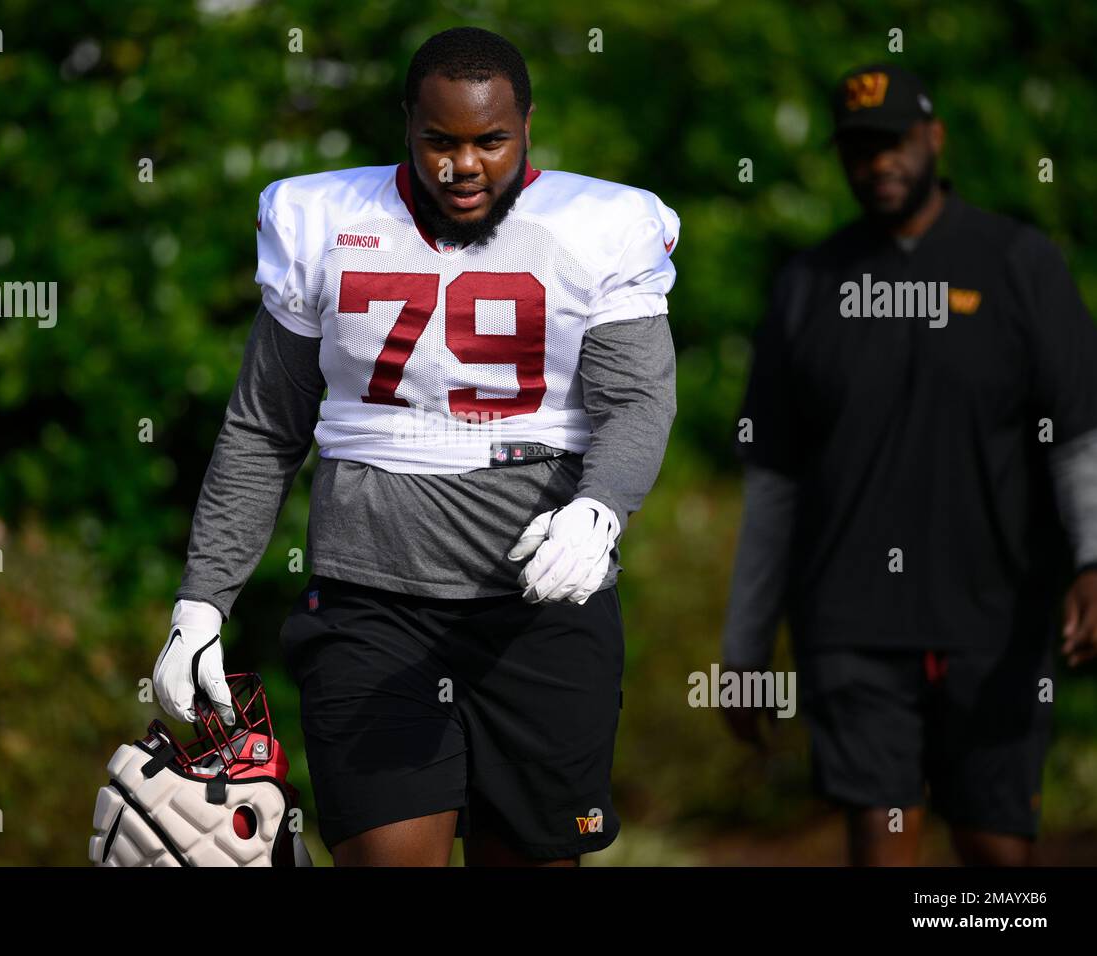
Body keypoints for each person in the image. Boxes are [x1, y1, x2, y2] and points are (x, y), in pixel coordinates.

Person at [155, 27, 680, 866]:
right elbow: (265, 426)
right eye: (440, 139)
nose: (463, 164)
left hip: (539, 609)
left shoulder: (599, 228)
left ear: (528, 128)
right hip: (372, 604)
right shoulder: (326, 221)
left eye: (489, 140)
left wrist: (601, 508)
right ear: (407, 125)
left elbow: (638, 403)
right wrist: (202, 601)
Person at [722, 63, 1097, 866]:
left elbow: (1076, 435)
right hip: (850, 619)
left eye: (892, 143)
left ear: (934, 138)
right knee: (881, 833)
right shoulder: (807, 284)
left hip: (996, 614)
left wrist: (1095, 557)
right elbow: (774, 483)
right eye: (858, 149)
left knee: (997, 847)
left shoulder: (1018, 263)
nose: (877, 163)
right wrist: (745, 645)